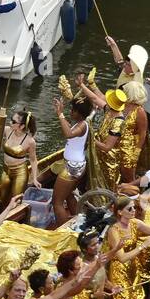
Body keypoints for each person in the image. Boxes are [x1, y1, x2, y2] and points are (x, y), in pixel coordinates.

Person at [51, 96, 91, 224]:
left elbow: (68, 134)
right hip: (76, 165)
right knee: (69, 195)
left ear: (80, 113)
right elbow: (69, 129)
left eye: (73, 110)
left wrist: (60, 114)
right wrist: (60, 113)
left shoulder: (82, 126)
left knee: (57, 202)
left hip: (72, 168)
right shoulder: (80, 124)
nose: (71, 112)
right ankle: (77, 222)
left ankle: (62, 232)